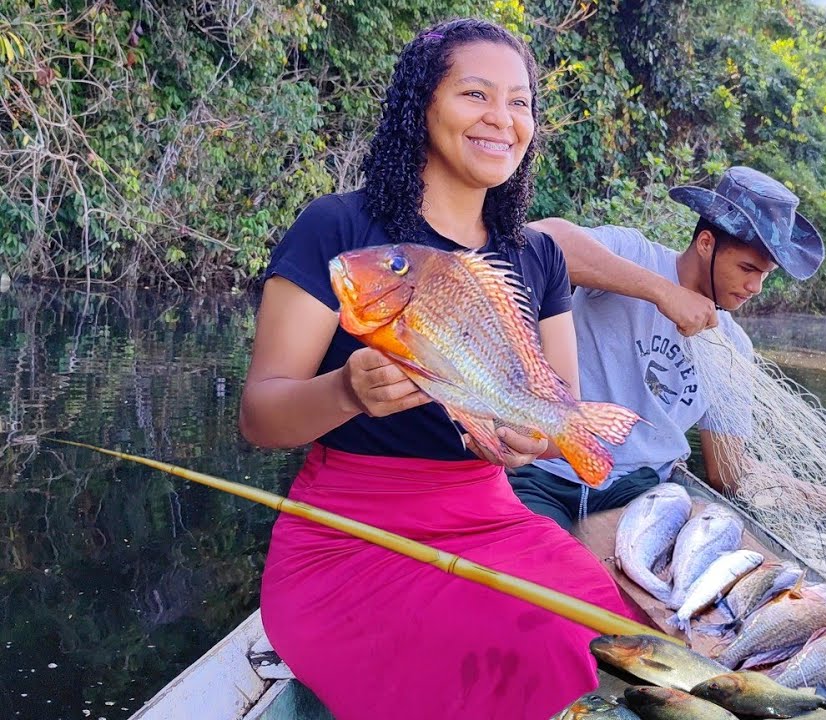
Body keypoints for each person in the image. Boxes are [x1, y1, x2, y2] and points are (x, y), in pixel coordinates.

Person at [239, 19, 641, 720]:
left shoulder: (537, 257)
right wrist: (346, 390)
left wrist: (531, 442)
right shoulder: (341, 231)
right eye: (475, 95)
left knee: (605, 643)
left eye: (520, 103)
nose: (502, 120)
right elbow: (260, 417)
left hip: (491, 517)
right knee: (510, 654)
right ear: (420, 105)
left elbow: (560, 415)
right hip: (350, 533)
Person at [508, 166, 826, 529]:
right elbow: (536, 242)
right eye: (747, 269)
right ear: (706, 243)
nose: (755, 287)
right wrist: (661, 292)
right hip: (546, 476)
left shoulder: (733, 347)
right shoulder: (635, 256)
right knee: (537, 578)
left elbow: (729, 474)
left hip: (641, 498)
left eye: (765, 275)